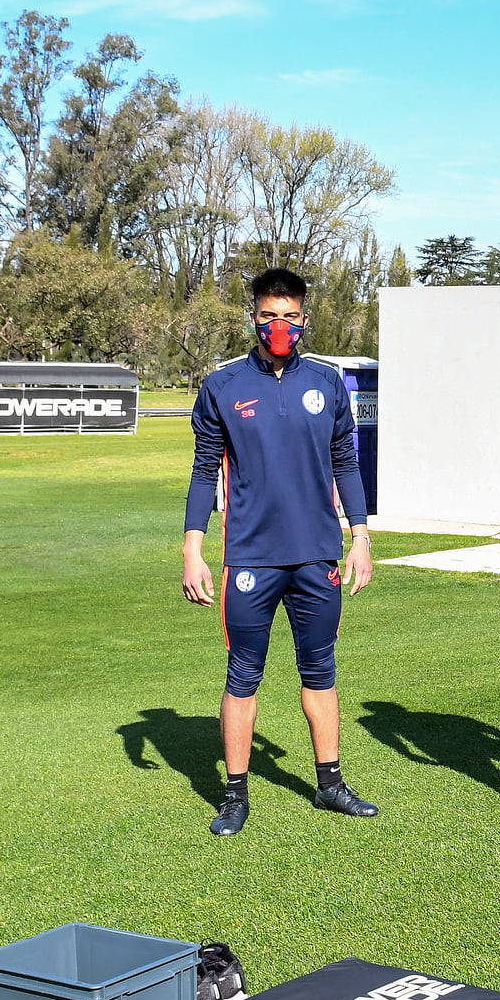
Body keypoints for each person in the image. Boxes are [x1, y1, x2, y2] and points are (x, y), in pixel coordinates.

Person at [182, 267, 377, 835]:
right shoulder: (222, 387)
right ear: (253, 318)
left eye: (290, 317)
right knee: (243, 674)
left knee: (320, 671)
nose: (279, 326)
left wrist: (360, 538)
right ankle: (235, 795)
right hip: (250, 558)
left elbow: (347, 465)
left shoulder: (327, 383)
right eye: (269, 316)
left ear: (306, 320)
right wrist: (193, 548)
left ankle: (331, 785)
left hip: (318, 555)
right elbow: (202, 474)